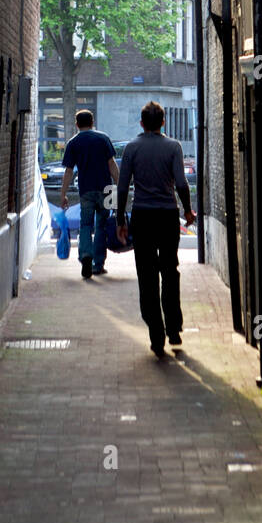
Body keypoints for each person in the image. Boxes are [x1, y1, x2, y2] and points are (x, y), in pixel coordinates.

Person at [116, 101, 195, 357]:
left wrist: (120, 220)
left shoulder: (131, 148)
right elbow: (181, 183)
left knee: (147, 275)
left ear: (141, 123)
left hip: (143, 216)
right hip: (167, 215)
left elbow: (122, 187)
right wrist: (188, 209)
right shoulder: (173, 147)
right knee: (170, 270)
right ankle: (173, 327)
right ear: (163, 122)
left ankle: (156, 333)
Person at [59, 111, 119, 279]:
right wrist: (120, 187)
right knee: (102, 225)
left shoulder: (73, 142)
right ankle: (98, 264)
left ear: (77, 124)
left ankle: (86, 254)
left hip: (86, 190)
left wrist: (63, 194)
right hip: (108, 190)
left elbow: (68, 171)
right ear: (93, 122)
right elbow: (112, 165)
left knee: (86, 225)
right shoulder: (103, 138)